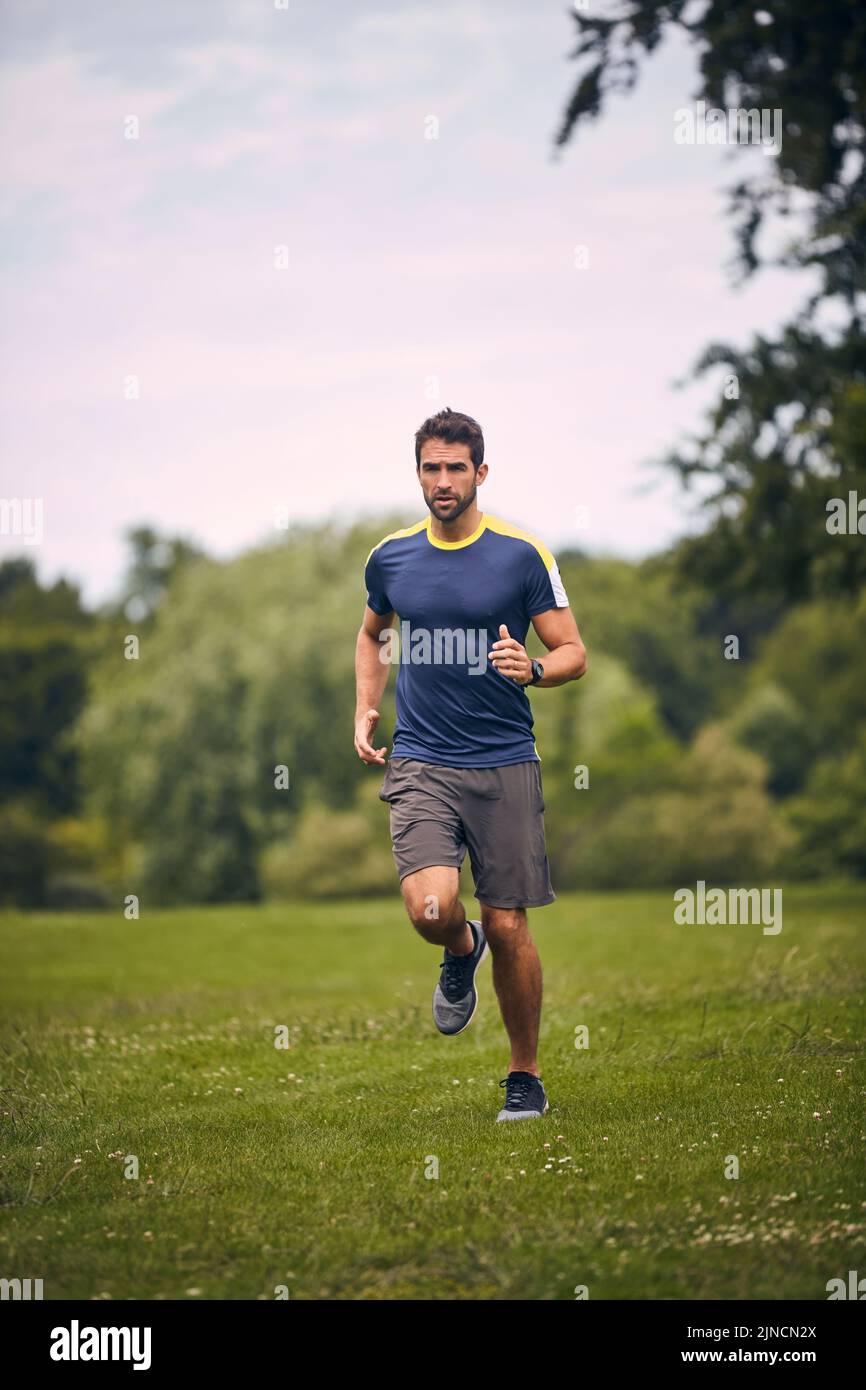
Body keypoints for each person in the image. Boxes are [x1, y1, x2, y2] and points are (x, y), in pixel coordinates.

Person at [354, 408, 587, 1121]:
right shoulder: (390, 557)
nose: (444, 481)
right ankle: (460, 948)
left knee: (512, 925)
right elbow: (372, 636)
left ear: (481, 473)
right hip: (422, 757)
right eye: (432, 467)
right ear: (417, 472)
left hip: (504, 761)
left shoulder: (522, 555)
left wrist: (535, 667)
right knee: (430, 907)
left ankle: (525, 1075)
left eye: (458, 468)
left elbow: (575, 652)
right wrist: (367, 706)